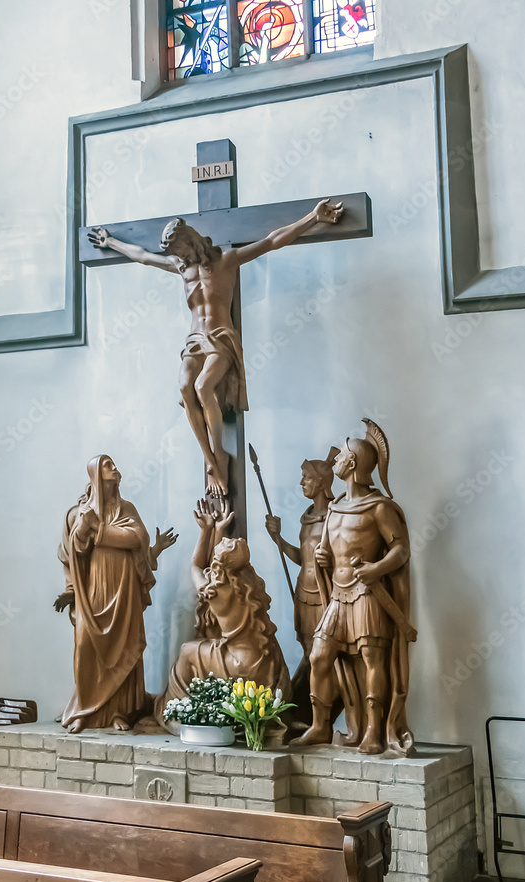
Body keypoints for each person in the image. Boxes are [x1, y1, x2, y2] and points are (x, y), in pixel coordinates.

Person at [89, 198, 343, 498]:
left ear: (190, 241)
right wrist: (112, 242)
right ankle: (210, 459)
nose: (178, 256)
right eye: (174, 253)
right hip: (195, 340)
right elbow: (143, 256)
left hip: (221, 337)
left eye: (180, 249)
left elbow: (271, 241)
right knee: (185, 387)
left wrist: (312, 217)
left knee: (203, 386)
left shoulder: (226, 260)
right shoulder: (180, 267)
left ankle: (219, 452)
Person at [292, 421, 415, 755]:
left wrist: (376, 568)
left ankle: (375, 731)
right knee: (319, 656)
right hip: (338, 595)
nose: (338, 457)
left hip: (368, 596)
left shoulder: (379, 508)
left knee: (372, 660)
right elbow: (331, 552)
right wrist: (323, 558)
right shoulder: (334, 508)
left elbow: (400, 549)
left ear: (353, 464)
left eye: (343, 453)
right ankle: (320, 726)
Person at [54, 455, 177, 733]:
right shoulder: (77, 513)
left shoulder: (126, 509)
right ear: (95, 473)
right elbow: (70, 555)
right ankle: (85, 711)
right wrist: (71, 591)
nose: (115, 468)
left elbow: (137, 539)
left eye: (114, 464)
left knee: (124, 650)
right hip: (95, 592)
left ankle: (121, 711)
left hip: (124, 591)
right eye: (108, 464)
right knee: (86, 647)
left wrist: (99, 529)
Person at [155, 498, 291, 729]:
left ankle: (174, 713)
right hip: (264, 660)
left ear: (218, 566)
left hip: (238, 665)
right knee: (205, 646)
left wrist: (206, 530)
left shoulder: (214, 591)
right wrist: (217, 530)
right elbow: (211, 567)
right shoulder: (249, 585)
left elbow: (196, 567)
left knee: (188, 651)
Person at [265, 450, 339, 724]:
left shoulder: (337, 515)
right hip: (304, 594)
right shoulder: (307, 516)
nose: (302, 483)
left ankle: (324, 716)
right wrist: (278, 539)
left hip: (326, 595)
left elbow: (343, 560)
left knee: (326, 656)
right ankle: (307, 714)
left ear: (321, 482)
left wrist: (329, 561)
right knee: (309, 654)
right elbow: (303, 559)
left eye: (306, 478)